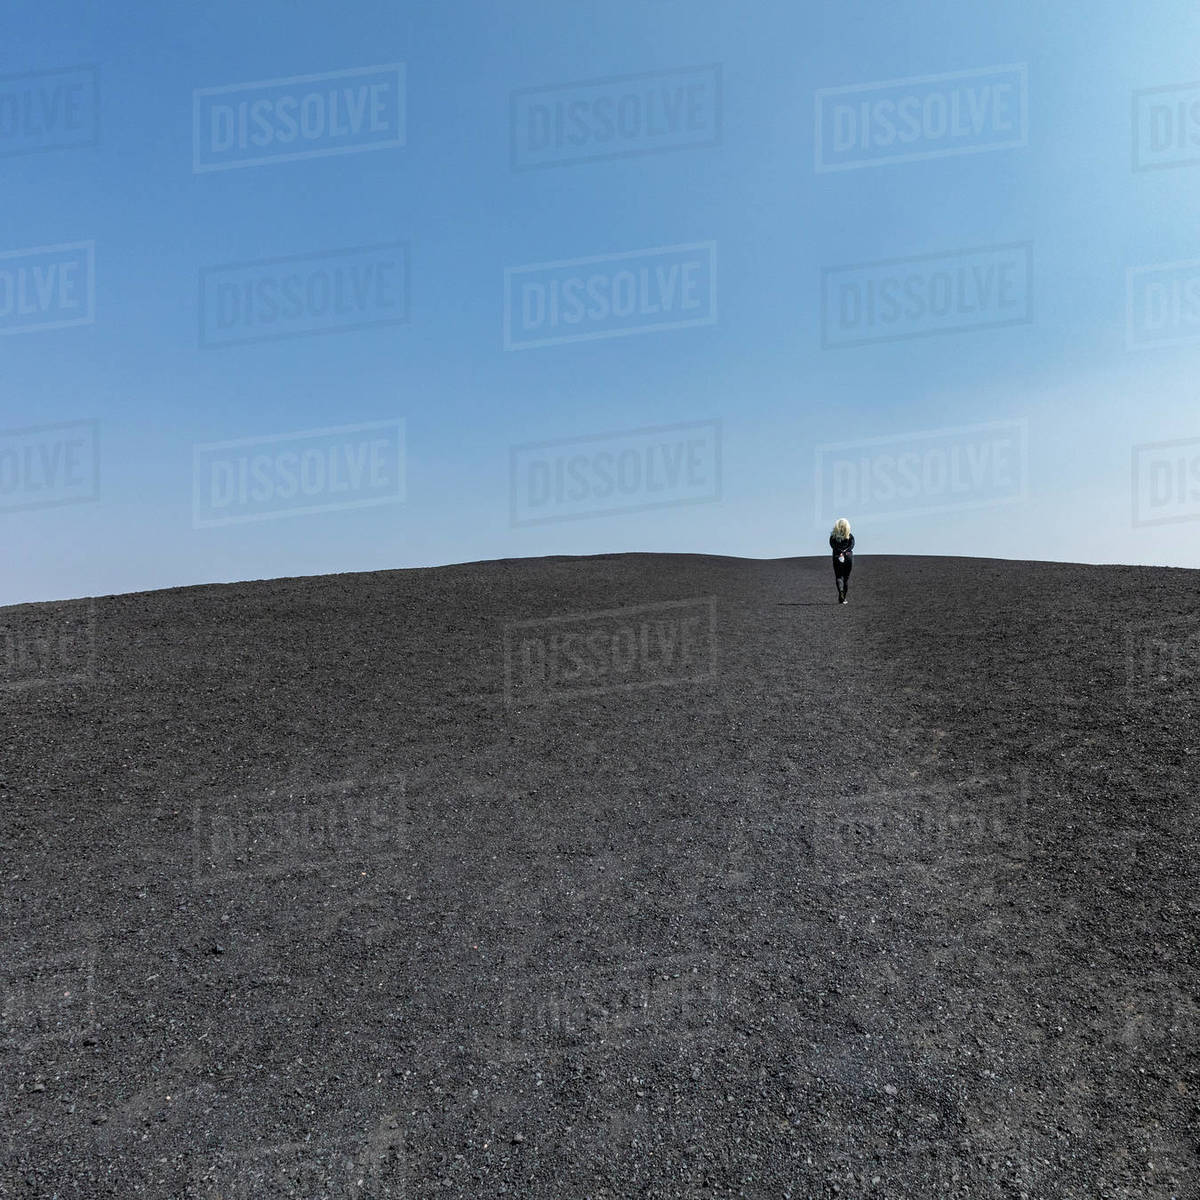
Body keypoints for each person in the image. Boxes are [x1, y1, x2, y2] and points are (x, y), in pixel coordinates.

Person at [829, 517, 854, 604]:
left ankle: (841, 593)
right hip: (848, 557)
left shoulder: (833, 537)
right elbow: (852, 545)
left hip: (837, 556)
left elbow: (832, 546)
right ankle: (843, 598)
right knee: (846, 579)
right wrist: (845, 552)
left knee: (839, 576)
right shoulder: (850, 536)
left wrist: (840, 552)